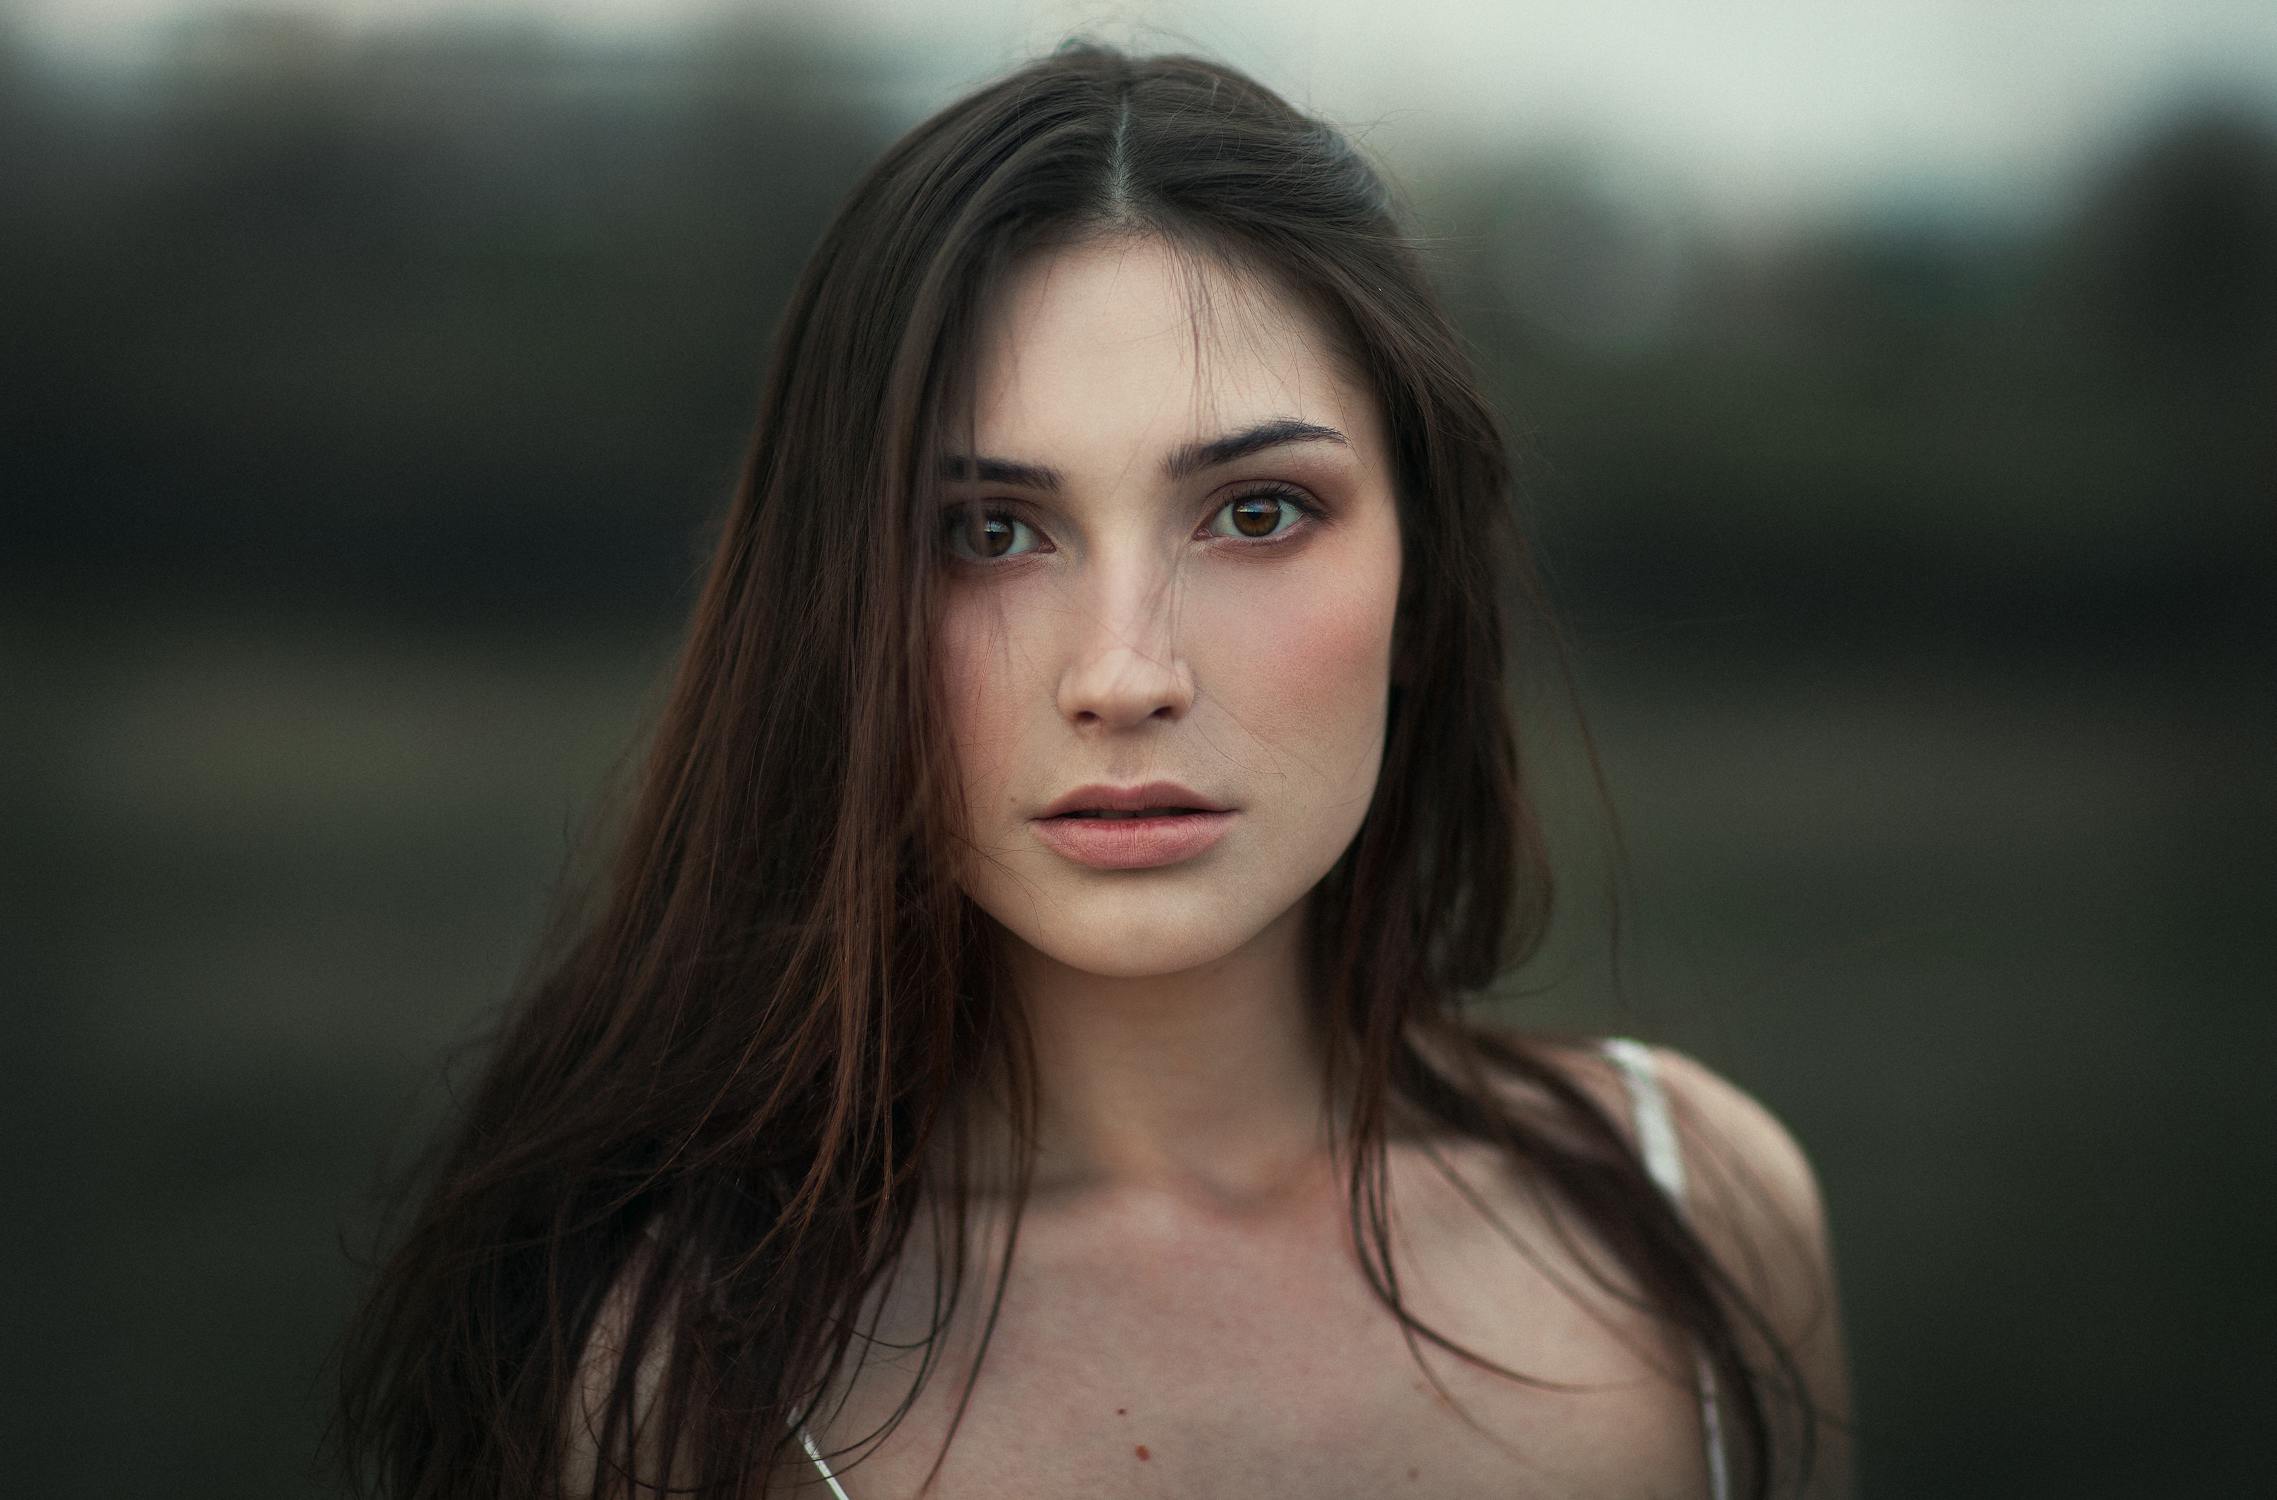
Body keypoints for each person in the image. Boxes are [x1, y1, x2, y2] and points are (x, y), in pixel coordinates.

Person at [331, 40, 1852, 1500]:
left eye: (1256, 513)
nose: (1124, 675)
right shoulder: (659, 1361)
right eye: (989, 532)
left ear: (1423, 583)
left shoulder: (1697, 1213)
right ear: (836, 612)